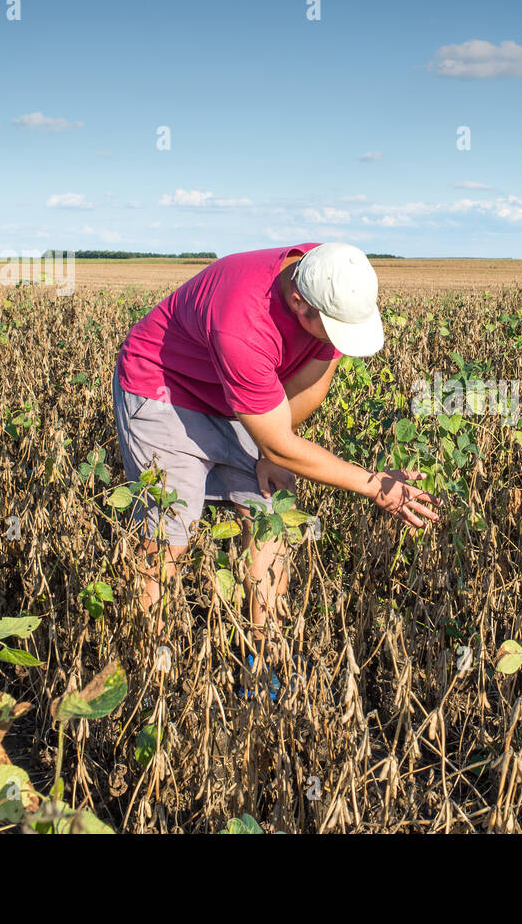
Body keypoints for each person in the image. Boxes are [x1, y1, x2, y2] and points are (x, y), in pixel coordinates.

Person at [111, 242, 439, 683]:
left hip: (236, 398)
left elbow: (312, 378)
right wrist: (373, 485)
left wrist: (270, 452)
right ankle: (151, 673)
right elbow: (285, 444)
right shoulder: (242, 322)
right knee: (170, 533)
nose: (336, 337)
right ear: (298, 302)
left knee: (274, 513)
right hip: (164, 390)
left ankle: (264, 655)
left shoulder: (329, 279)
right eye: (333, 328)